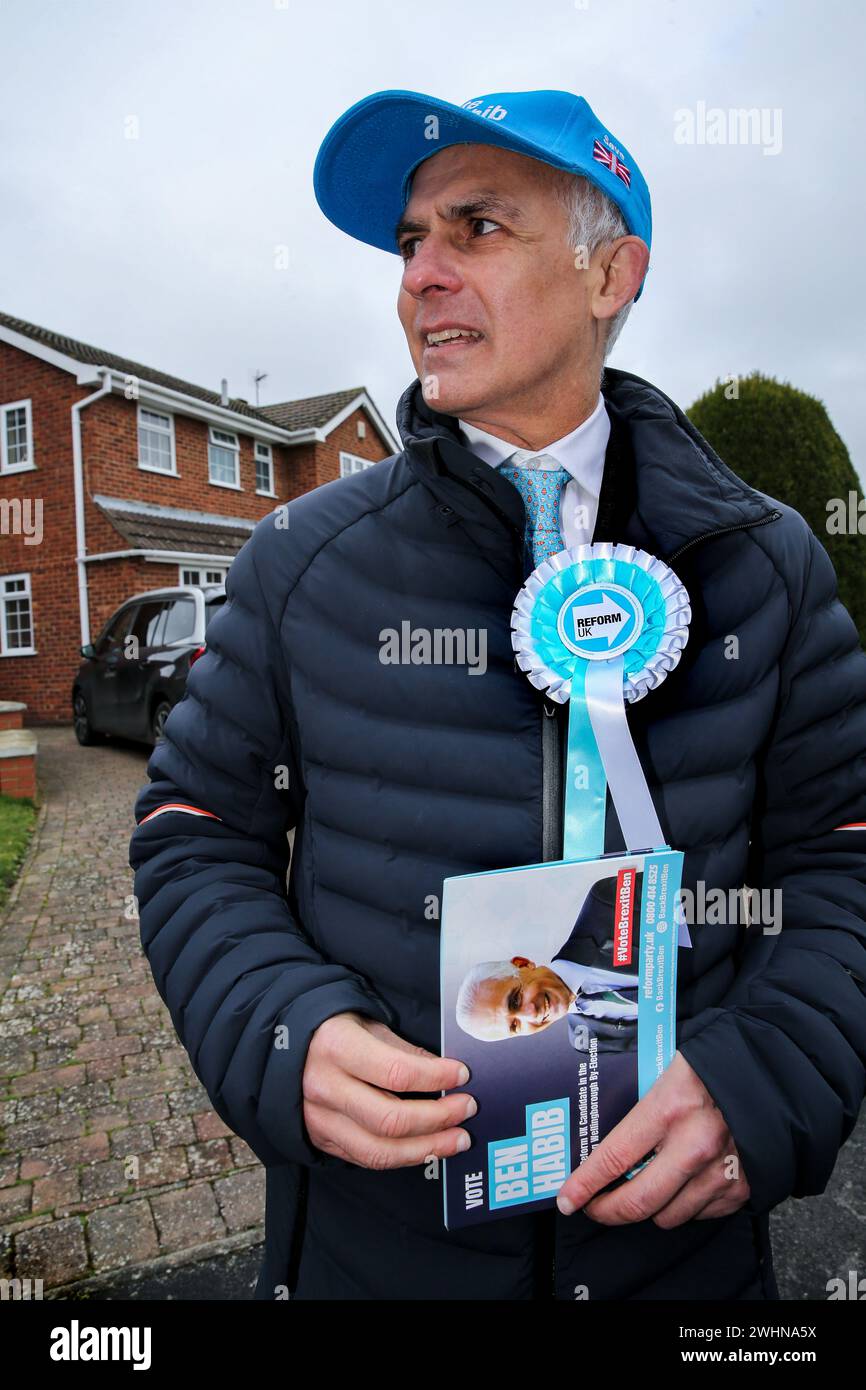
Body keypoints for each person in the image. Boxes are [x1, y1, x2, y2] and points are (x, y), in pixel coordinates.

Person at [130, 87, 866, 1301]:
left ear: (609, 274)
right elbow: (194, 834)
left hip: (672, 1264)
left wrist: (768, 1077)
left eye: (476, 228)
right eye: (412, 240)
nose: (421, 273)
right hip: (375, 1253)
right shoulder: (298, 561)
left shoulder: (764, 562)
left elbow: (839, 857)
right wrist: (280, 1025)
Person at [456, 873, 641, 1050]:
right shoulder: (587, 1041)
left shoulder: (607, 902)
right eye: (514, 1026)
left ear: (523, 964)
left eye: (515, 1000)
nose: (531, 1014)